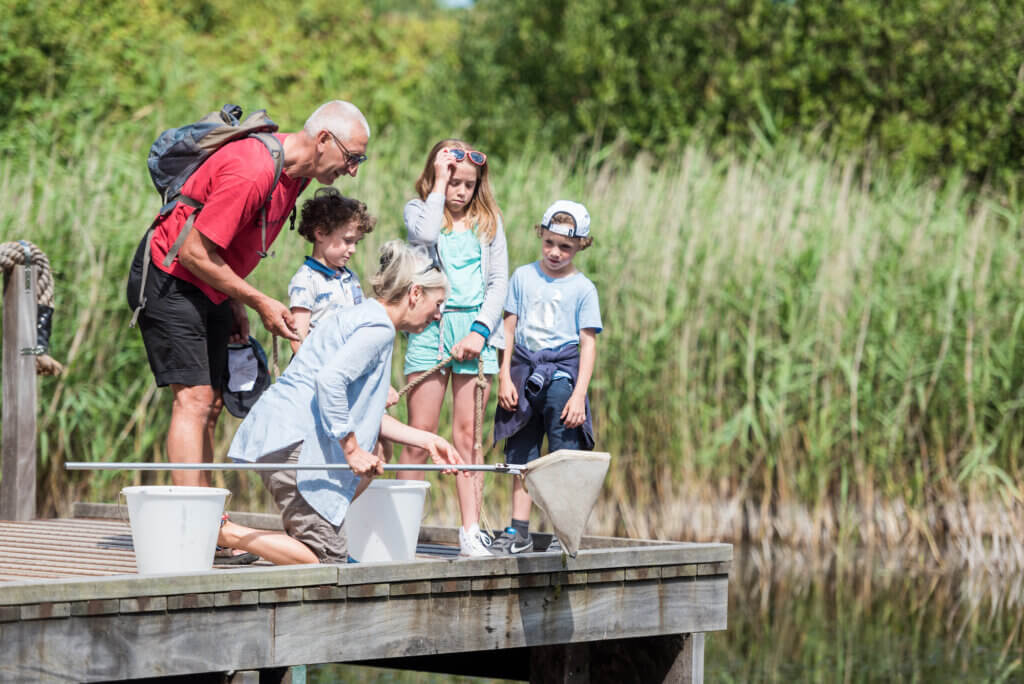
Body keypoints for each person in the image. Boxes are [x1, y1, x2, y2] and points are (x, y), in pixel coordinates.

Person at [126, 100, 371, 494]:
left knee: (215, 402)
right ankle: (192, 523)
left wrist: (235, 301)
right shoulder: (254, 169)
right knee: (194, 399)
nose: (354, 170)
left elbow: (230, 241)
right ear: (323, 139)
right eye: (352, 157)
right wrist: (258, 300)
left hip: (211, 281)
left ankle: (210, 522)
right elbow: (192, 250)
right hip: (171, 275)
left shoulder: (297, 177)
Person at [218, 240, 466, 565]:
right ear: (415, 294)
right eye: (438, 305)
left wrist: (429, 439)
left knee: (374, 459)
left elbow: (365, 413)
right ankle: (225, 533)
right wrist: (351, 449)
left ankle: (297, 539)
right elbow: (330, 381)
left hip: (278, 433)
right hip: (291, 439)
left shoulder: (365, 316)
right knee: (326, 563)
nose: (438, 316)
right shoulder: (378, 329)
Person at [400, 139, 508, 557]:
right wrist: (438, 185)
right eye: (454, 182)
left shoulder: (489, 221)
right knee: (418, 435)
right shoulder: (420, 210)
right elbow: (425, 234)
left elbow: (498, 281)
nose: (461, 192)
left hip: (473, 331)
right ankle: (403, 528)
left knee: (469, 436)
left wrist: (481, 331)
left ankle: (470, 531)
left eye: (469, 184)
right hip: (431, 327)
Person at [490, 200, 602, 555]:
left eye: (565, 247)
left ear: (581, 245)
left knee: (562, 455)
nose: (555, 252)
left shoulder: (583, 289)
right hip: (522, 370)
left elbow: (587, 344)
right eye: (549, 243)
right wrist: (503, 377)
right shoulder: (523, 277)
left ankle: (562, 532)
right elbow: (508, 329)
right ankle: (518, 531)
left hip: (562, 377)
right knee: (520, 452)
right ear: (541, 236)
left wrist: (578, 393)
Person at [287, 187, 375, 354]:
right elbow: (297, 340)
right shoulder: (306, 280)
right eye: (348, 241)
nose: (353, 249)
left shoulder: (350, 278)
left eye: (357, 242)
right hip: (316, 372)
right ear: (320, 233)